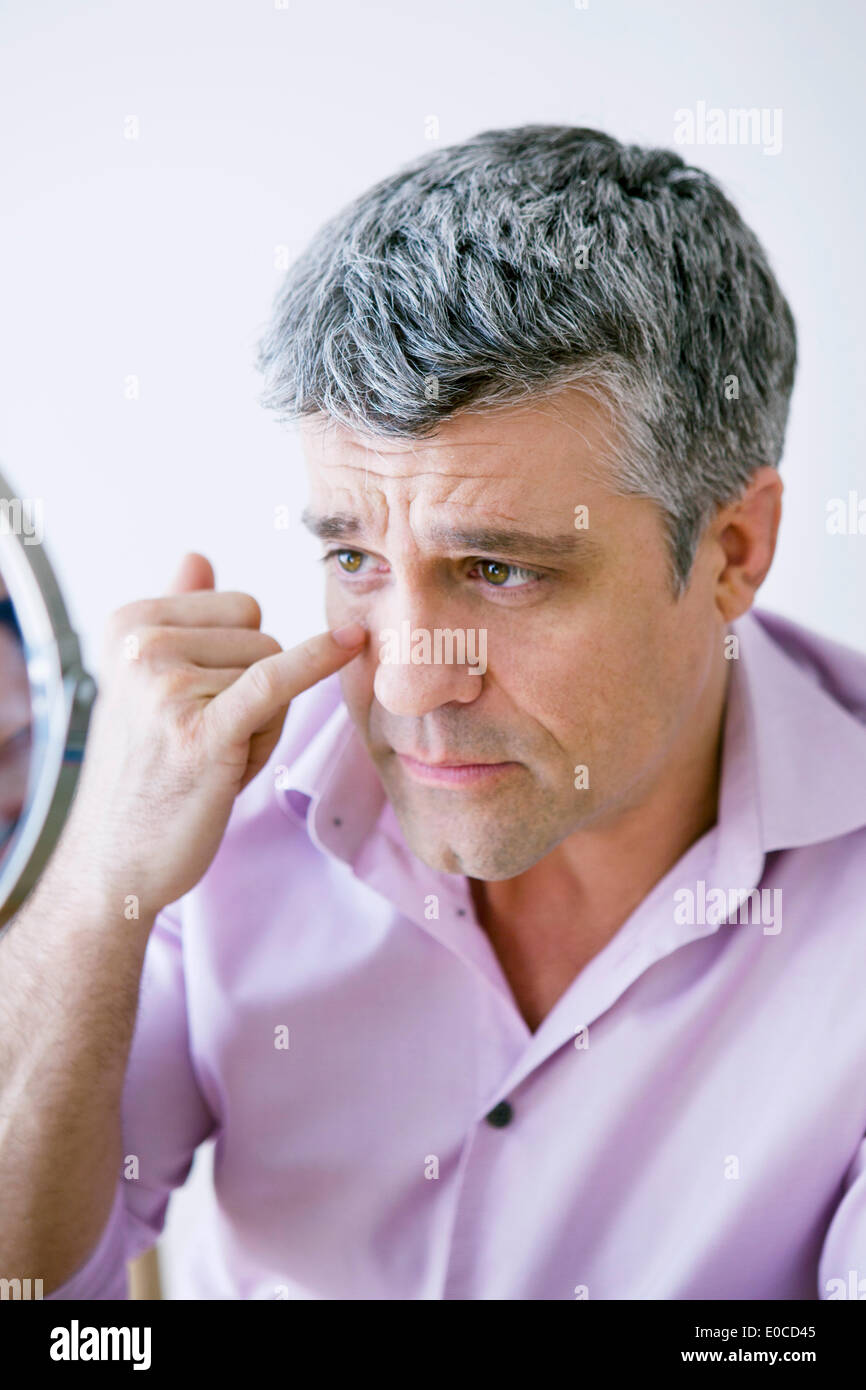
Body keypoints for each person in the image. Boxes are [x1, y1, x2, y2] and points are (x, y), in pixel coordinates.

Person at [3, 125, 866, 1301]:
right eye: (353, 558)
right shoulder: (217, 812)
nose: (407, 683)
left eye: (499, 571)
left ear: (732, 550)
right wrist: (96, 883)